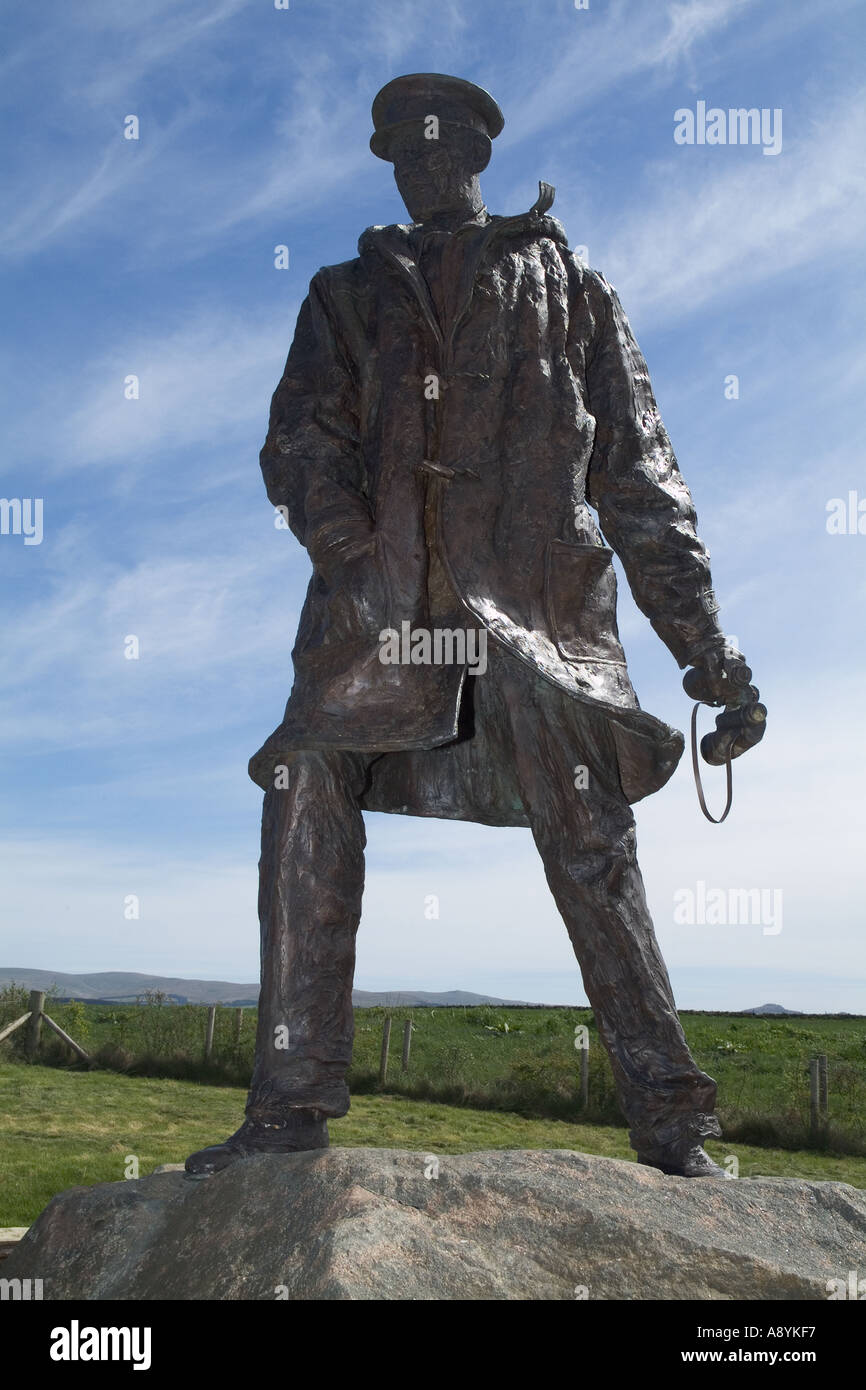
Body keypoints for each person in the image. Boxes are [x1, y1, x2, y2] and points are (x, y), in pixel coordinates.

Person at [186, 74, 762, 1179]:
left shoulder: (567, 281)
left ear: (477, 155)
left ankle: (671, 1114)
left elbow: (639, 474)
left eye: (436, 142)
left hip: (534, 612)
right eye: (399, 146)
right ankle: (289, 1101)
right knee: (305, 787)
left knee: (590, 840)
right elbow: (299, 440)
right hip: (388, 610)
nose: (419, 160)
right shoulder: (344, 293)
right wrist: (351, 553)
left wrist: (705, 650)